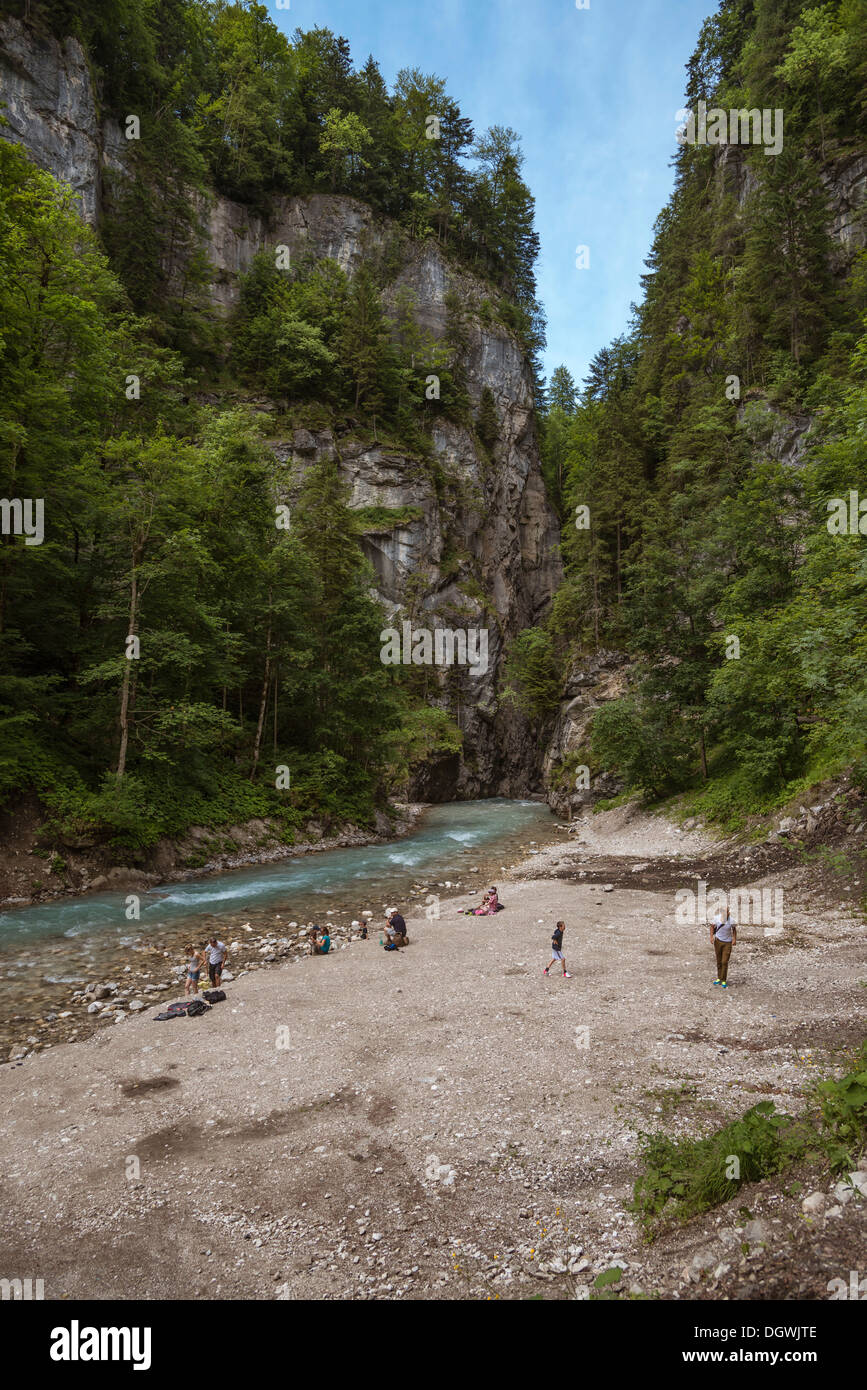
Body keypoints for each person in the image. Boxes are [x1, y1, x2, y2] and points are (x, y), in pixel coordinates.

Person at [710, 907, 737, 988]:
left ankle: (724, 980)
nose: (726, 913)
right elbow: (712, 927)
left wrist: (734, 939)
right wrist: (711, 937)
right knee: (719, 961)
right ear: (721, 912)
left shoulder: (731, 920)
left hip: (727, 943)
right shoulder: (716, 918)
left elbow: (734, 929)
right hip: (718, 941)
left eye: (727, 912)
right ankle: (719, 978)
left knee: (724, 961)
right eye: (724, 912)